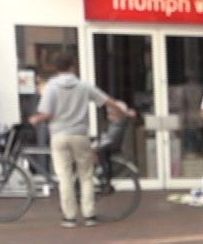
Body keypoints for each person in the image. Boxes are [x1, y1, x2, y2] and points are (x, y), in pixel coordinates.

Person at [29, 50, 129, 228]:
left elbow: (46, 113)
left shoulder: (51, 86)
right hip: (79, 134)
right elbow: (107, 101)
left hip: (59, 135)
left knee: (64, 176)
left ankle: (70, 217)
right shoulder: (83, 85)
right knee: (86, 175)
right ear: (72, 66)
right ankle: (89, 214)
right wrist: (123, 113)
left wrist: (36, 119)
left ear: (56, 67)